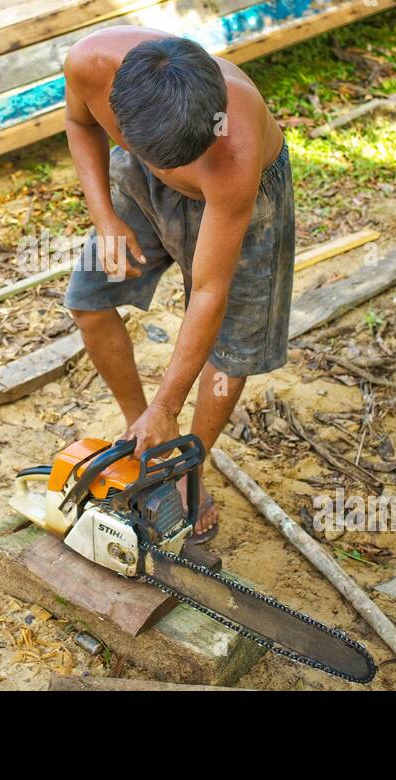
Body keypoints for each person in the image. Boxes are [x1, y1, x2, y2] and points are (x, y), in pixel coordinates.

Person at [63, 26, 295, 543]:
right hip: (138, 182)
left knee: (232, 345)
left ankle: (187, 471)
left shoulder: (234, 148)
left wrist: (169, 404)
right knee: (88, 302)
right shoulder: (89, 64)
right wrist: (104, 217)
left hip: (240, 200)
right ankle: (144, 439)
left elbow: (210, 292)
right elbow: (79, 124)